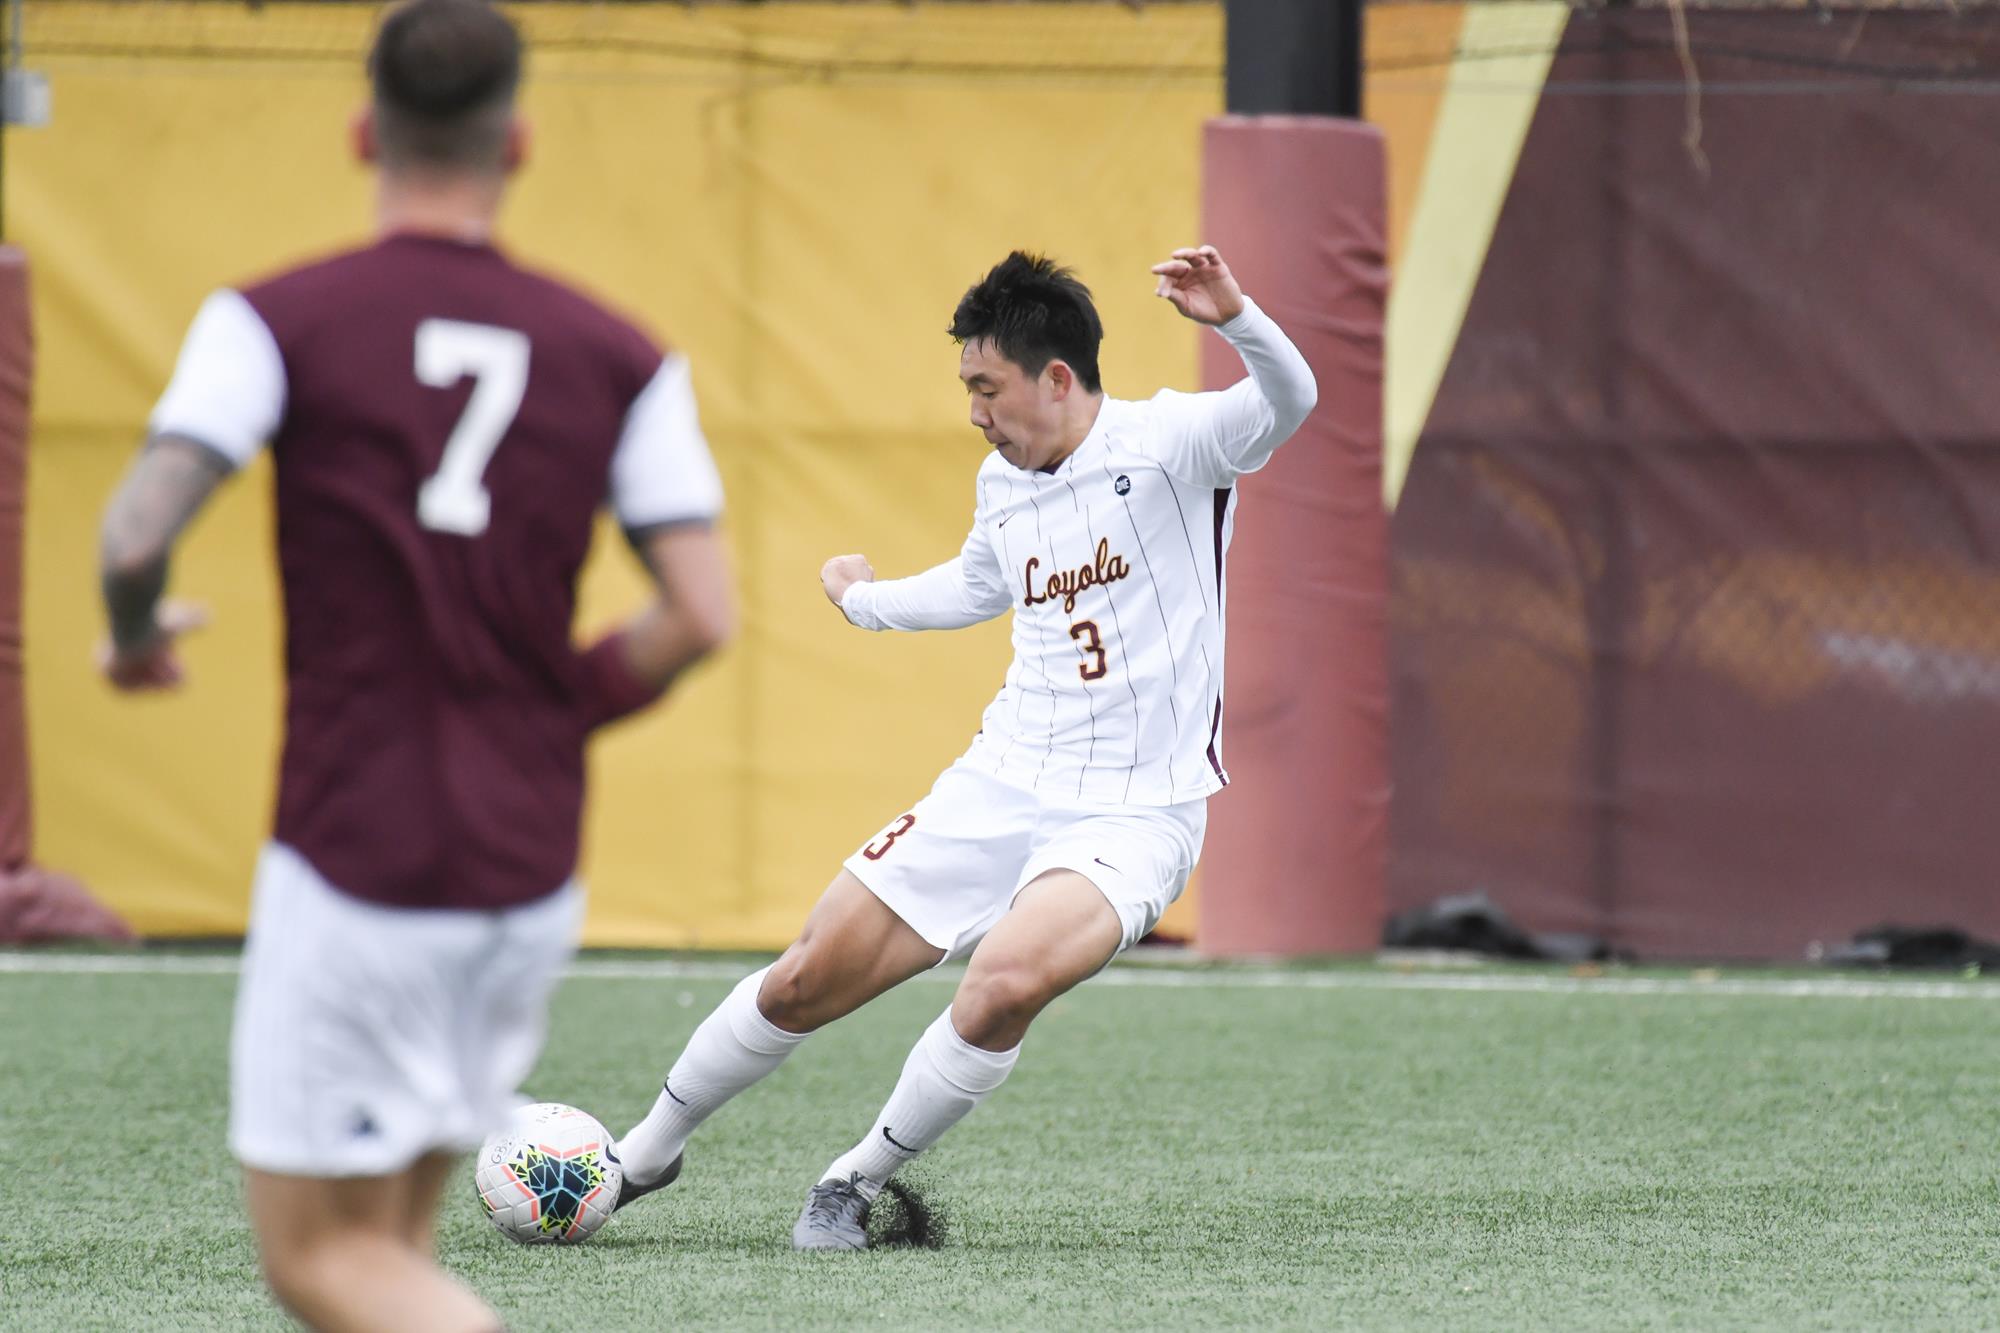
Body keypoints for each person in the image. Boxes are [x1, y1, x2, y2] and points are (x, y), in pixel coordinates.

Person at [95, 1, 733, 1326]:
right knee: (391, 1240)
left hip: (356, 847)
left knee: (319, 1258)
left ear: (360, 132)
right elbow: (699, 614)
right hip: (527, 859)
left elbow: (135, 528)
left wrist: (141, 629)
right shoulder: (623, 356)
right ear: (521, 144)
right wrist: (555, 709)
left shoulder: (274, 319)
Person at [612, 245, 1316, 1249]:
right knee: (804, 978)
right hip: (1001, 780)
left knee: (1004, 985)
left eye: (985, 386)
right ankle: (643, 1152)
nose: (974, 410)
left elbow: (1290, 400)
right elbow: (978, 583)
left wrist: (1236, 315)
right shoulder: (1004, 481)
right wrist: (866, 602)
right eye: (967, 389)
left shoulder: (1174, 442)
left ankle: (852, 1180)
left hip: (1135, 809)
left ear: (1056, 378)